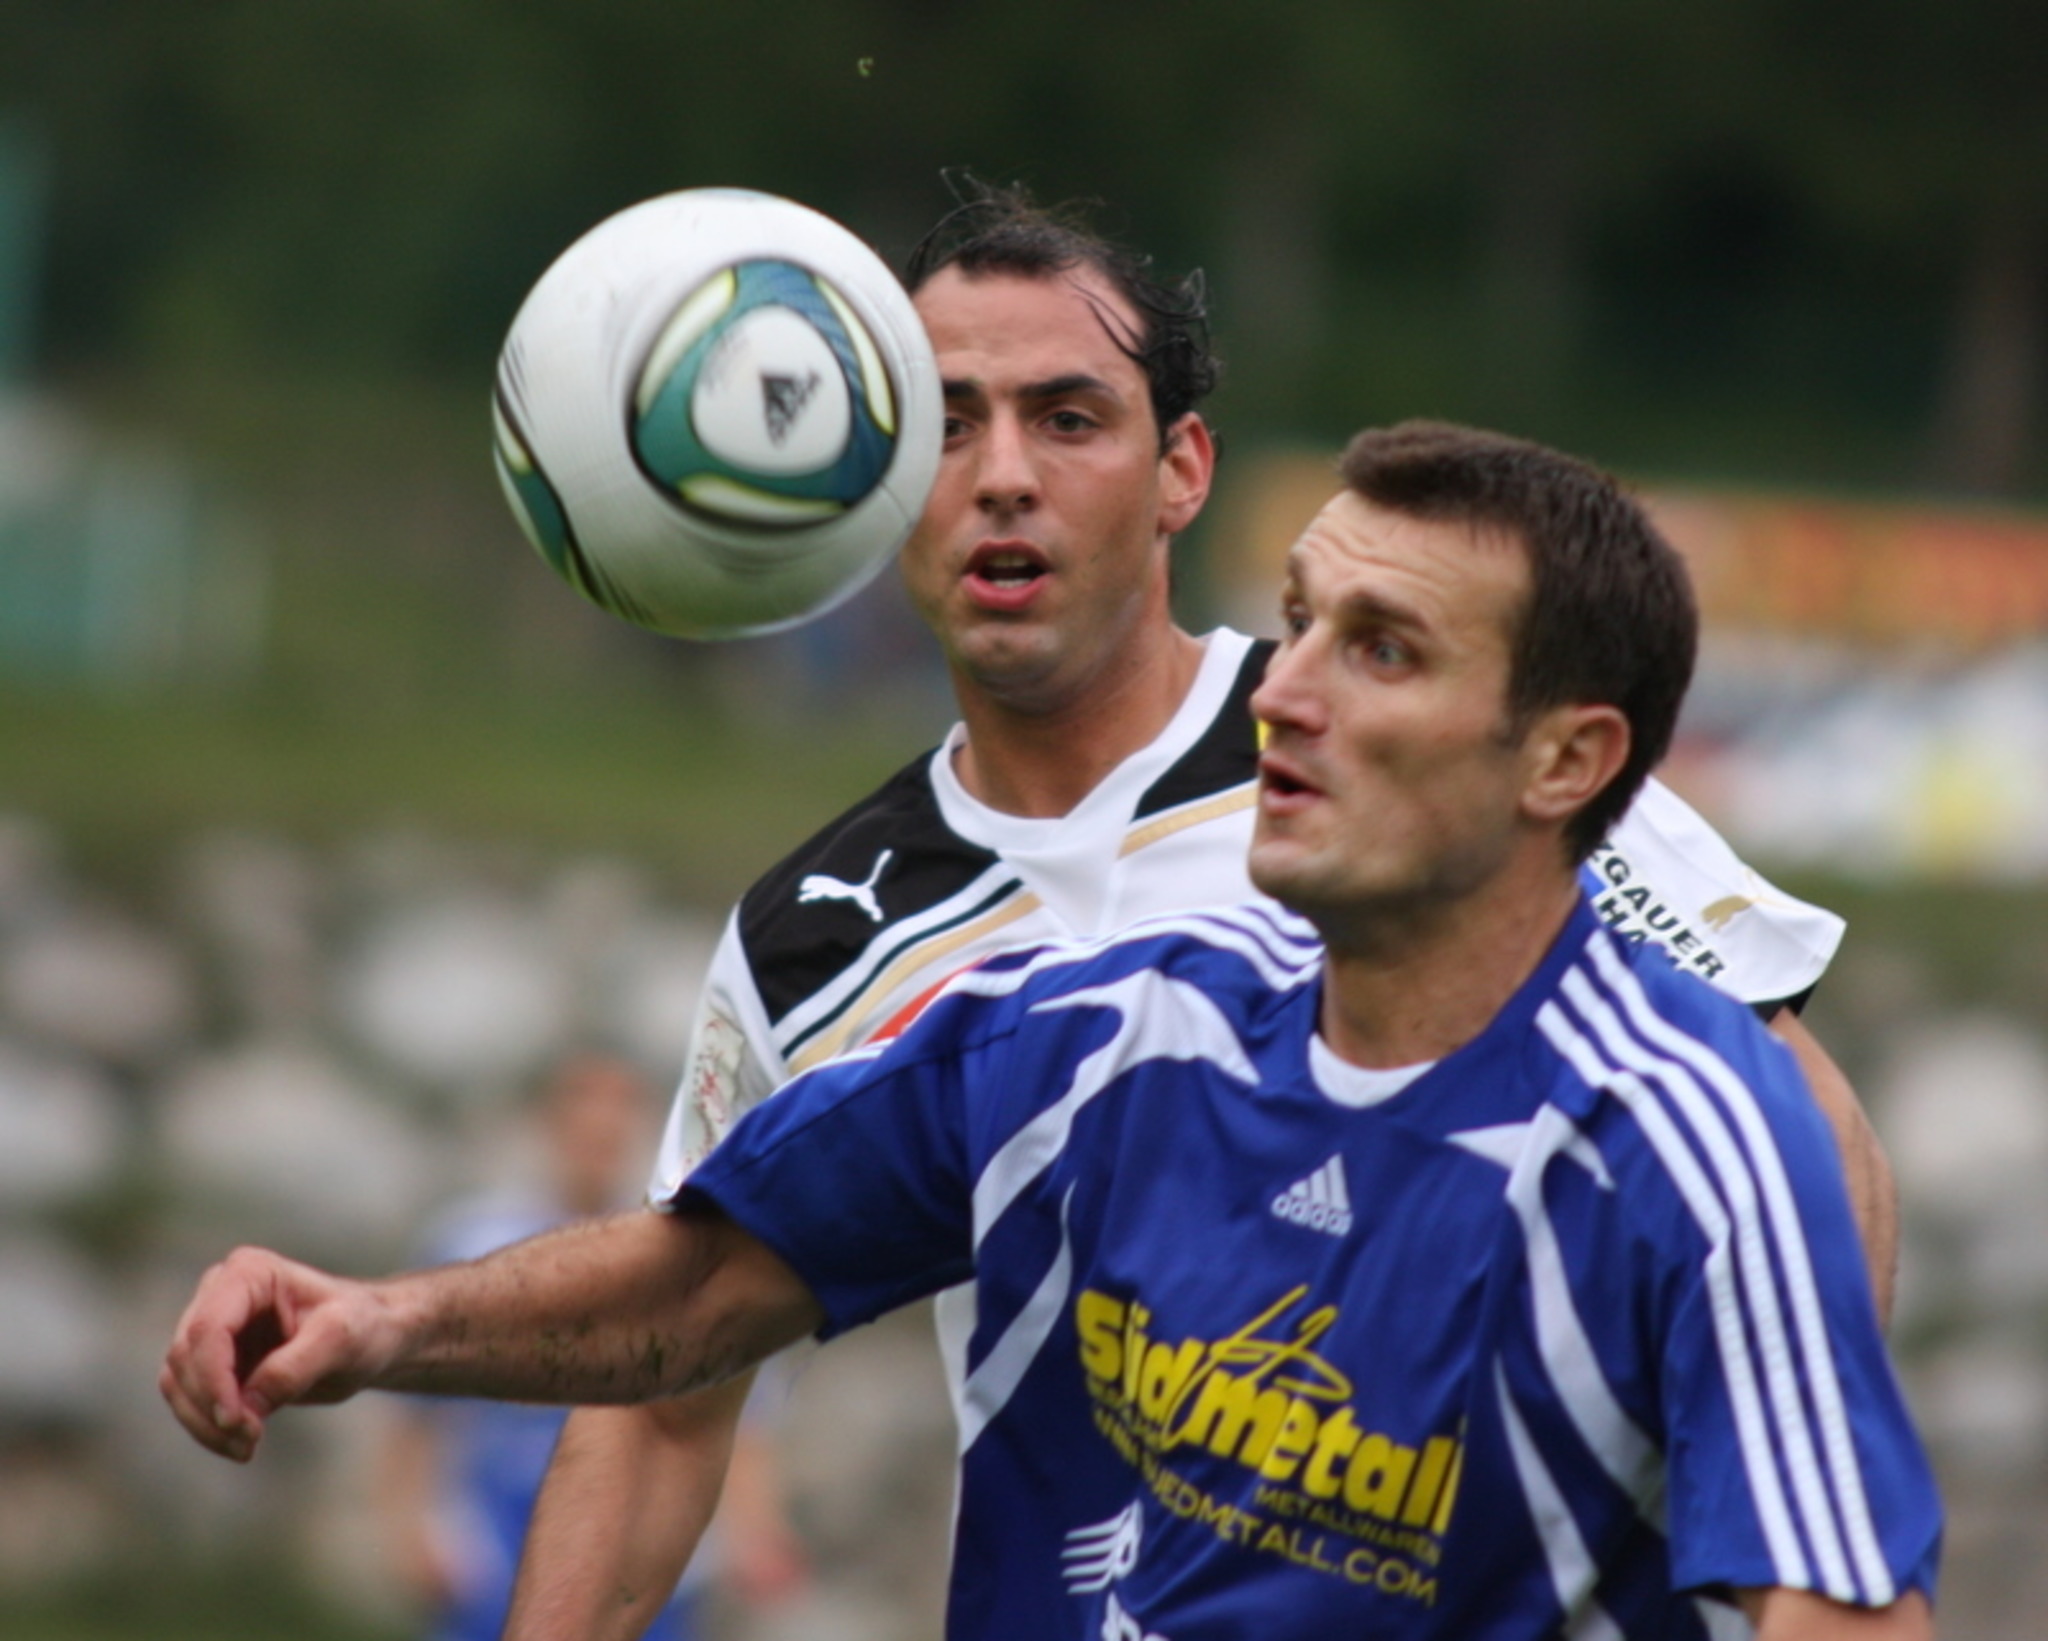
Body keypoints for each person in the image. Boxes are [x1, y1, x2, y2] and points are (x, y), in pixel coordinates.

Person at [160, 420, 1938, 1639]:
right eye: (1299, 618)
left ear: (1568, 759)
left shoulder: (1689, 1143)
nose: (1289, 691)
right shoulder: (1103, 1041)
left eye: (1382, 650)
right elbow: (702, 1289)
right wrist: (379, 1318)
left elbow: (1832, 1606)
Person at [500, 185, 1898, 1641]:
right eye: (951, 424)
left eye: (1068, 417)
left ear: (1183, 471)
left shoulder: (1418, 744)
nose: (1003, 477)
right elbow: (666, 1400)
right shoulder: (819, 942)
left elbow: (1801, 1127)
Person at [372, 1055, 720, 1641]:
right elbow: (413, 1409)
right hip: (496, 1532)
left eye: (613, 1129)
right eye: (586, 1127)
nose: (598, 1143)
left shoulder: (676, 1247)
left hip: (632, 1526)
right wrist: (410, 1528)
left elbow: (728, 1407)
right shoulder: (475, 1242)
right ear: (553, 1129)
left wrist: (748, 1535)